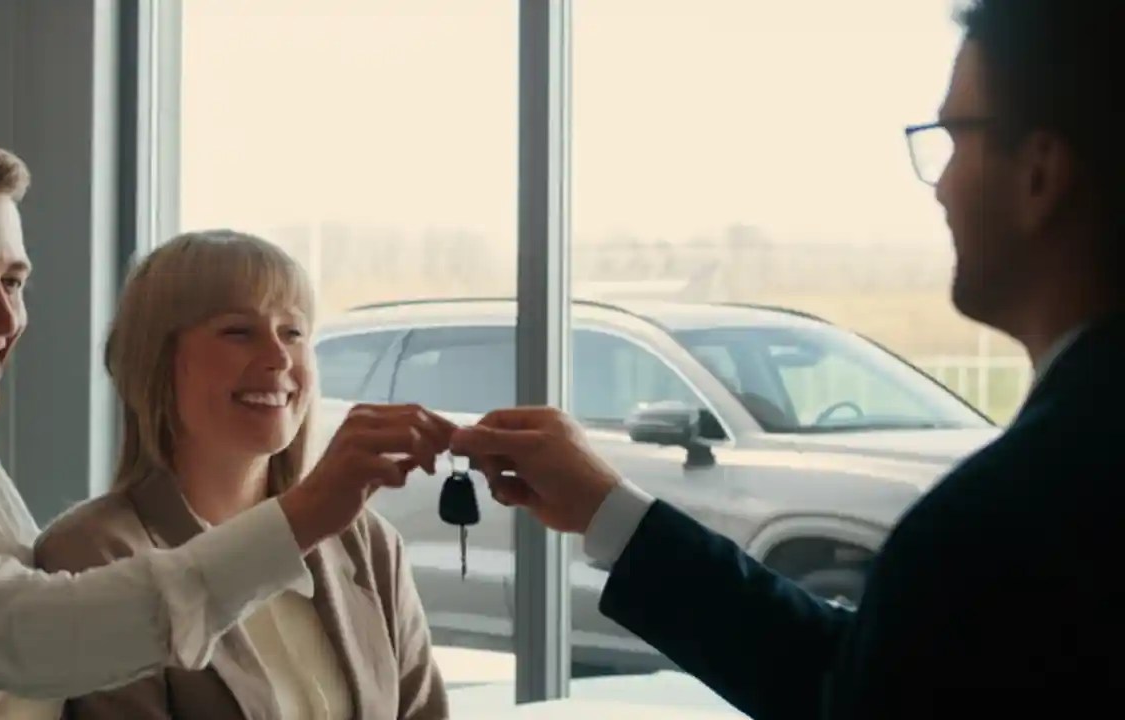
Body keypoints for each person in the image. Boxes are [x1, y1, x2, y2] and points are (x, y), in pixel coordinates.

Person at [451, 0, 1123, 717]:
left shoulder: (1002, 524)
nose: (942, 187)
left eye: (955, 138)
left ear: (1041, 174)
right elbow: (866, 672)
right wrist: (604, 509)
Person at [0, 102, 452, 720]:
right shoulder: (82, 545)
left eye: (13, 282)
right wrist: (310, 510)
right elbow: (42, 636)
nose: (5, 321)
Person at [35, 230, 449, 719]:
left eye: (293, 332)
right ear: (155, 360)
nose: (278, 358)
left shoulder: (369, 544)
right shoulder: (89, 555)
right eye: (238, 331)